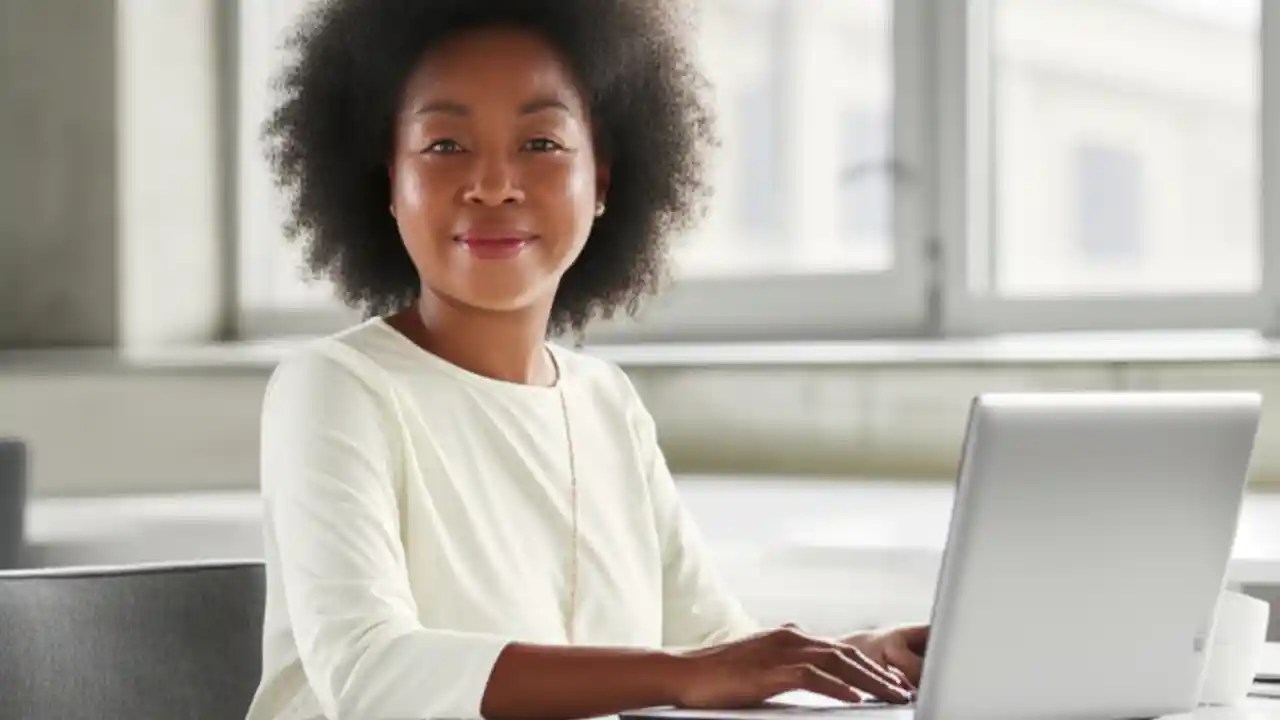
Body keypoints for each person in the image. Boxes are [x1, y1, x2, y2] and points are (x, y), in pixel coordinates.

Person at [244, 1, 928, 718]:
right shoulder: (336, 389)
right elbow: (370, 673)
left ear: (600, 181)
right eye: (445, 145)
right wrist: (683, 672)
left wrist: (856, 656)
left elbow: (711, 647)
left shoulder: (608, 403)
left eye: (540, 143)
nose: (493, 184)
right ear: (389, 181)